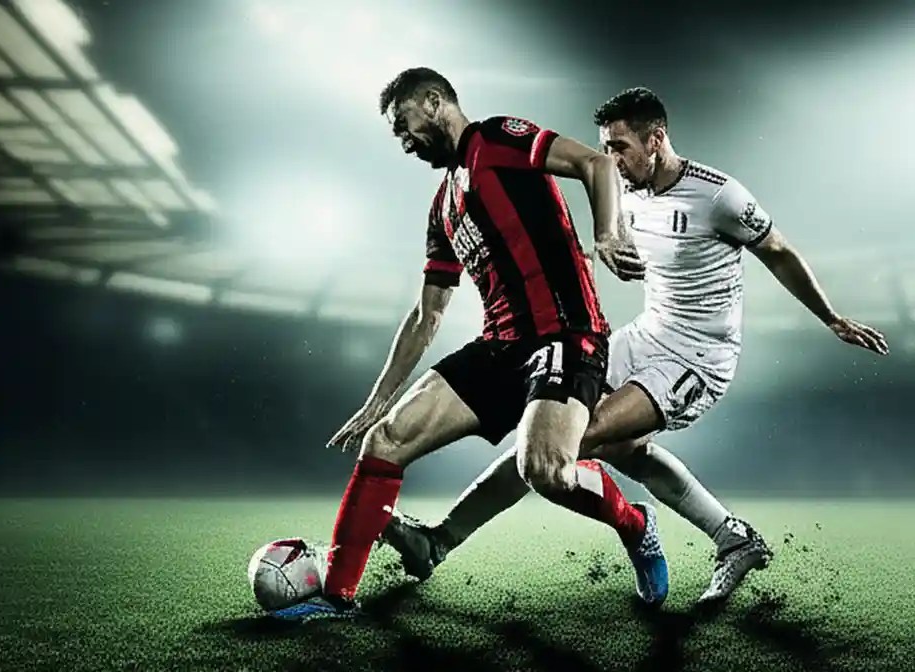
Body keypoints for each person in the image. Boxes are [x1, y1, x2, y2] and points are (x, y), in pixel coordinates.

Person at [380, 87, 889, 605]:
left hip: (697, 357)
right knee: (553, 435)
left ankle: (446, 539)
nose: (612, 159)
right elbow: (601, 233)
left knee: (571, 445)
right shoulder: (627, 192)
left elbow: (778, 251)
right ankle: (732, 536)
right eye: (607, 146)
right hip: (643, 336)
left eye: (620, 147)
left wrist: (831, 317)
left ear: (656, 139)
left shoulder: (719, 196)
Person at [276, 69, 670, 621]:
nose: (403, 140)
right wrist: (377, 402)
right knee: (385, 442)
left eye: (403, 124)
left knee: (547, 471)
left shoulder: (498, 140)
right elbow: (425, 315)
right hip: (498, 348)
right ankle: (337, 595)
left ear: (434, 102)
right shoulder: (442, 208)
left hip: (563, 333)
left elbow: (596, 163)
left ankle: (635, 523)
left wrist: (608, 233)